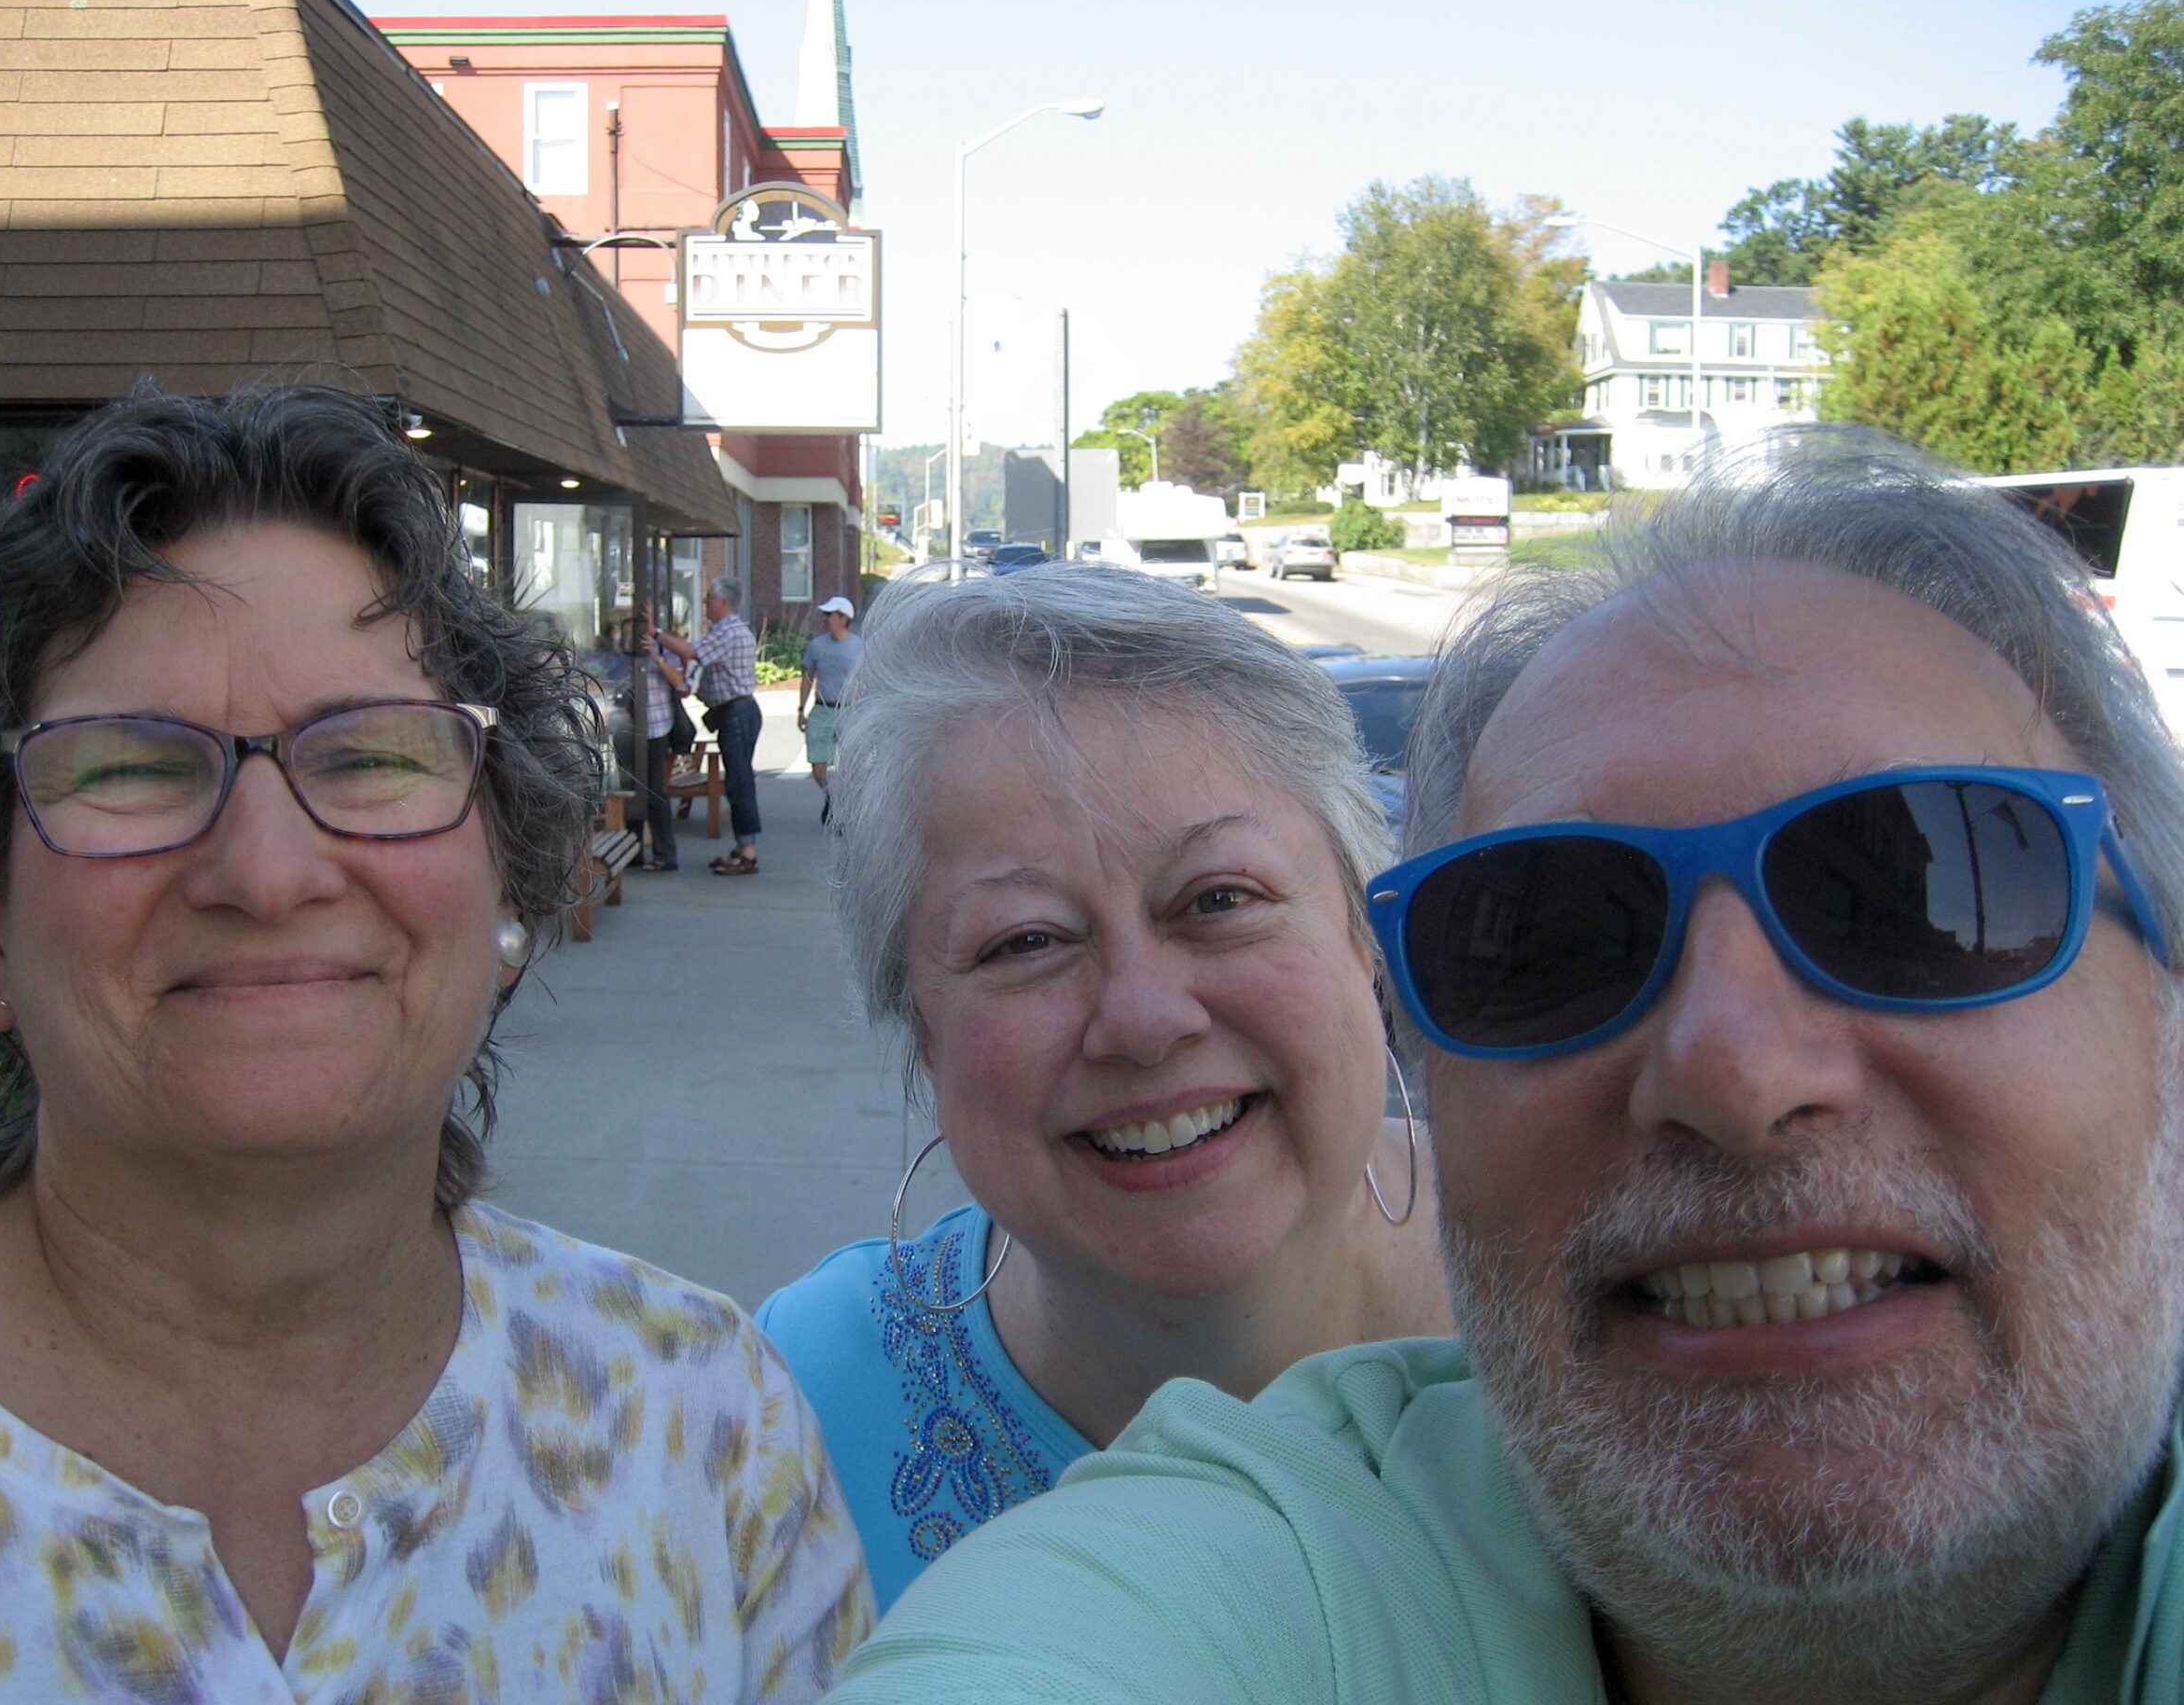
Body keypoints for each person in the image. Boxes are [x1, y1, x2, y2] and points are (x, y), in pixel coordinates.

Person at [819, 429, 2184, 1704]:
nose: (1732, 1066)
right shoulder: (792, 1424)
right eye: (1561, 938)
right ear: (917, 1034)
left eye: (1923, 894)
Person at [0, 388, 870, 1702]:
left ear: (505, 873)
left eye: (371, 756)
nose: (267, 874)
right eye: (132, 768)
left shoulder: (702, 1424)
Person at [758, 561, 1452, 1609]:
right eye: (1024, 940)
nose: (1142, 1017)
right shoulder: (778, 1415)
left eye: (1219, 898)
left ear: (1362, 929)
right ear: (925, 1036)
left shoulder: (1592, 1293)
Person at [651, 577, 761, 875]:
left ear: (723, 602)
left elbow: (691, 653)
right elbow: (695, 665)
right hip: (734, 712)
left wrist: (657, 635)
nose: (705, 603)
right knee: (740, 780)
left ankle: (748, 851)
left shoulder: (728, 632)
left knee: (739, 781)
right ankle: (742, 847)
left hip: (737, 712)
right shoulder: (726, 631)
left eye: (709, 598)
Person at [632, 614, 689, 872]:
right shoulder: (624, 654)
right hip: (629, 729)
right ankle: (632, 852)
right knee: (630, 789)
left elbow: (681, 684)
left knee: (654, 790)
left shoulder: (666, 649)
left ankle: (666, 854)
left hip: (657, 726)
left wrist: (656, 658)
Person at [798, 595, 862, 822]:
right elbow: (807, 677)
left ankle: (844, 806)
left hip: (850, 710)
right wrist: (801, 709)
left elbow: (869, 680)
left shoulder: (859, 646)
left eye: (830, 615)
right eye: (825, 615)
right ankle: (831, 797)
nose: (825, 619)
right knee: (818, 763)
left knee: (850, 763)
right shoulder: (817, 645)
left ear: (844, 618)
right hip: (823, 707)